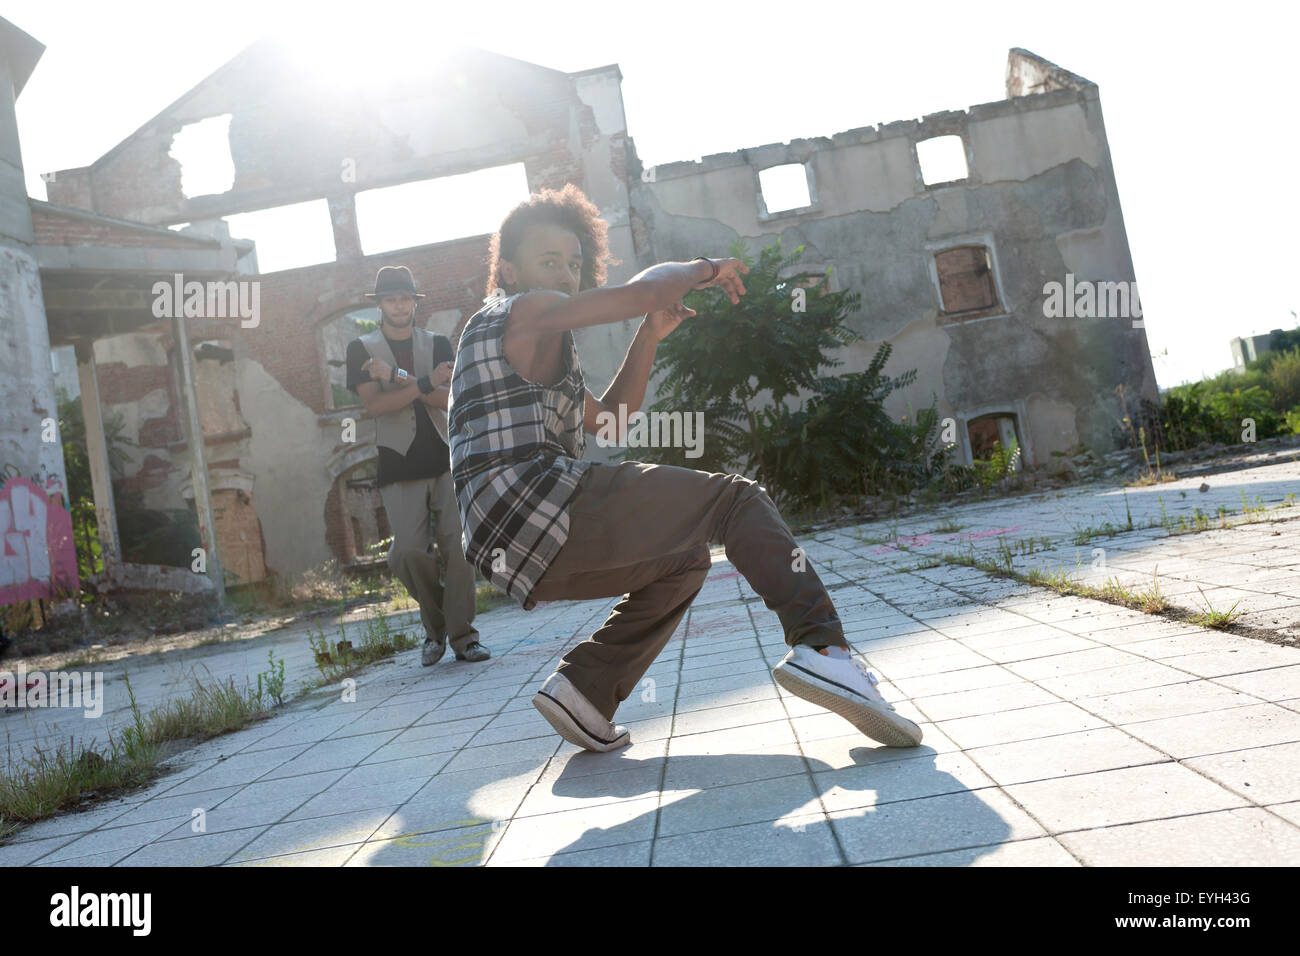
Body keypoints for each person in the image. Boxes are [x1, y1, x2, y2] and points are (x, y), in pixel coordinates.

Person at [447, 186, 919, 750]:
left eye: (575, 263)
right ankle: (824, 649)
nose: (567, 275)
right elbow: (642, 289)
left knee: (685, 561)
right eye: (549, 261)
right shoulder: (520, 312)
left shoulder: (533, 340)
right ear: (510, 268)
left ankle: (586, 688)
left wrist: (648, 334)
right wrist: (706, 267)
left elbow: (613, 422)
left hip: (512, 544)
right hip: (536, 502)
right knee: (736, 501)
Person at [347, 266, 488, 665]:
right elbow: (376, 406)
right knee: (407, 552)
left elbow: (449, 401)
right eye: (391, 299)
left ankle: (464, 638)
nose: (399, 305)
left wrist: (397, 378)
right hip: (397, 462)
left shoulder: (439, 343)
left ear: (414, 302)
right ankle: (437, 624)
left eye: (405, 298)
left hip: (446, 457)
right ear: (379, 304)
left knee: (459, 551)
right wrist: (425, 383)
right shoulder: (360, 348)